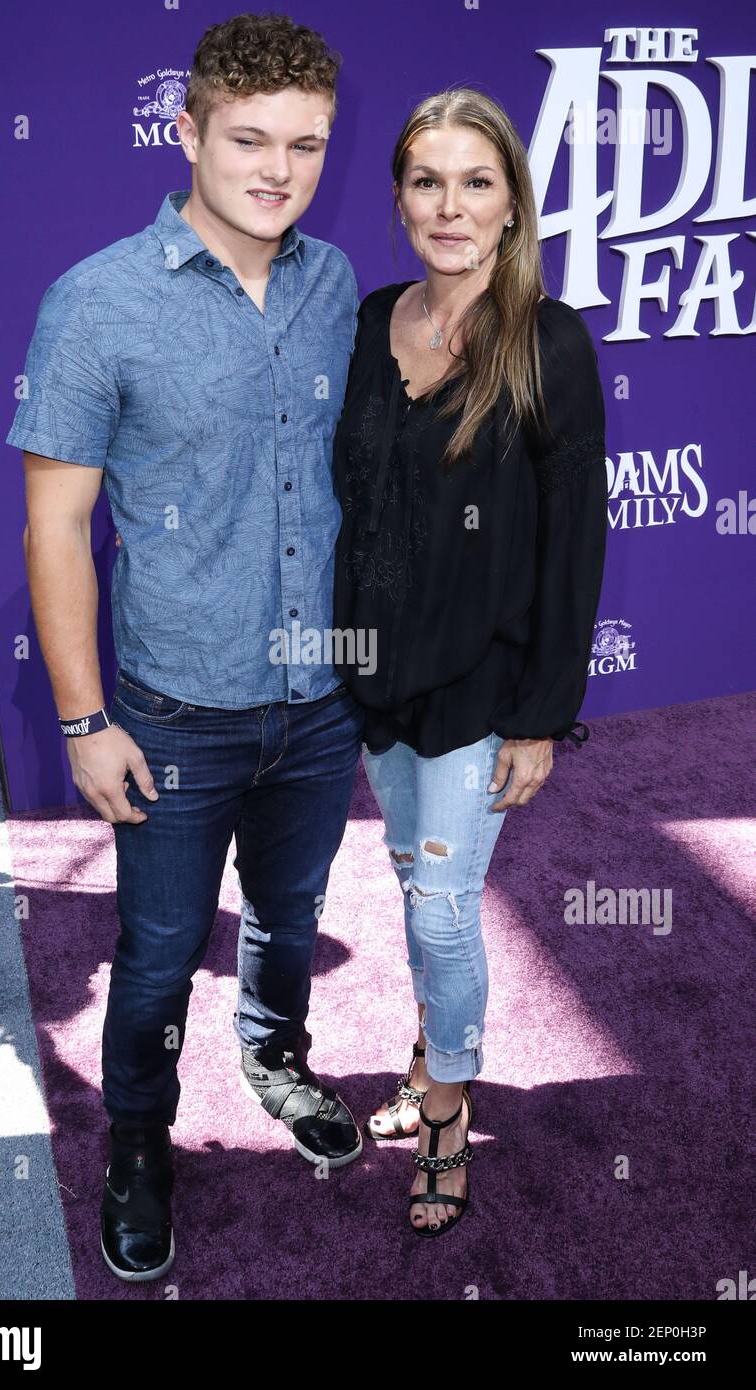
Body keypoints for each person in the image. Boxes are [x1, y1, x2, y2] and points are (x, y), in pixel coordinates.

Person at [6, 12, 365, 1282]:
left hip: (322, 701)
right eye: (250, 140)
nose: (279, 169)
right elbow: (55, 527)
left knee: (288, 913)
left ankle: (276, 1055)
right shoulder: (98, 303)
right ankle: (140, 1141)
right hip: (169, 712)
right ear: (188, 133)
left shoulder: (332, 288)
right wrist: (83, 719)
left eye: (307, 145)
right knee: (155, 953)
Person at [332, 87, 608, 1237]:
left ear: (510, 205)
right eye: (426, 181)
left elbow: (572, 541)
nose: (449, 207)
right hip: (374, 679)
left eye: (474, 182)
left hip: (481, 689)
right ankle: (424, 1050)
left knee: (441, 909)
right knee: (411, 884)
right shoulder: (367, 320)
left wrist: (542, 716)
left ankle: (446, 1102)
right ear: (398, 197)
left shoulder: (546, 339)